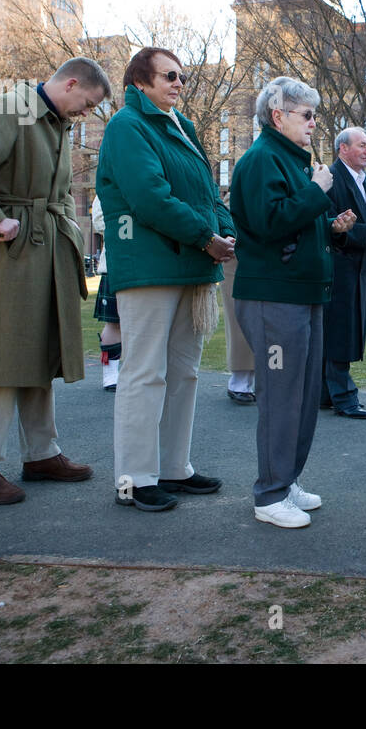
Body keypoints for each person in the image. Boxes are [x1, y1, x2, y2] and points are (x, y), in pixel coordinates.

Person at [0, 57, 109, 505]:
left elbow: (60, 193)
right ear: (70, 84)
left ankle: (41, 454)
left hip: (45, 248)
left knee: (39, 351)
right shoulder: (14, 107)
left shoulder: (54, 120)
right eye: (86, 104)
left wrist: (67, 232)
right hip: (11, 251)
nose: (85, 115)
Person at [97, 47, 236, 513]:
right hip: (150, 266)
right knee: (144, 373)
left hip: (192, 264)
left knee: (184, 372)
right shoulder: (127, 127)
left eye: (182, 76)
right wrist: (205, 237)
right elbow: (149, 198)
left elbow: (206, 194)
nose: (179, 83)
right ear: (140, 81)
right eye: (169, 76)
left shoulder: (183, 127)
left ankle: (174, 467)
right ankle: (134, 479)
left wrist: (226, 230)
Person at [229, 76, 356, 529]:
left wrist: (332, 229)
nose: (314, 123)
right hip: (273, 297)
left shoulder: (291, 161)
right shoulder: (263, 158)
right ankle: (269, 494)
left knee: (302, 397)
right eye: (307, 115)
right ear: (278, 115)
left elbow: (298, 227)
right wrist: (317, 191)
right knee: (281, 397)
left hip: (303, 293)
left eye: (315, 114)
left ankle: (286, 480)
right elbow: (269, 223)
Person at [319, 127, 366, 419]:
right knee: (339, 330)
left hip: (362, 268)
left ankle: (324, 393)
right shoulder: (330, 179)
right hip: (340, 267)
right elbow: (328, 221)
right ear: (342, 149)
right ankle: (344, 396)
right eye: (362, 145)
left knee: (347, 328)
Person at [90, 194, 122, 391]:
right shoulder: (105, 186)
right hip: (115, 265)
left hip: (146, 266)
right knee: (114, 323)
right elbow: (100, 221)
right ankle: (110, 375)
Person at [219, 254, 256, 405]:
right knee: (238, 317)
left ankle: (264, 380)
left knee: (272, 319)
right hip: (234, 247)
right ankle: (240, 380)